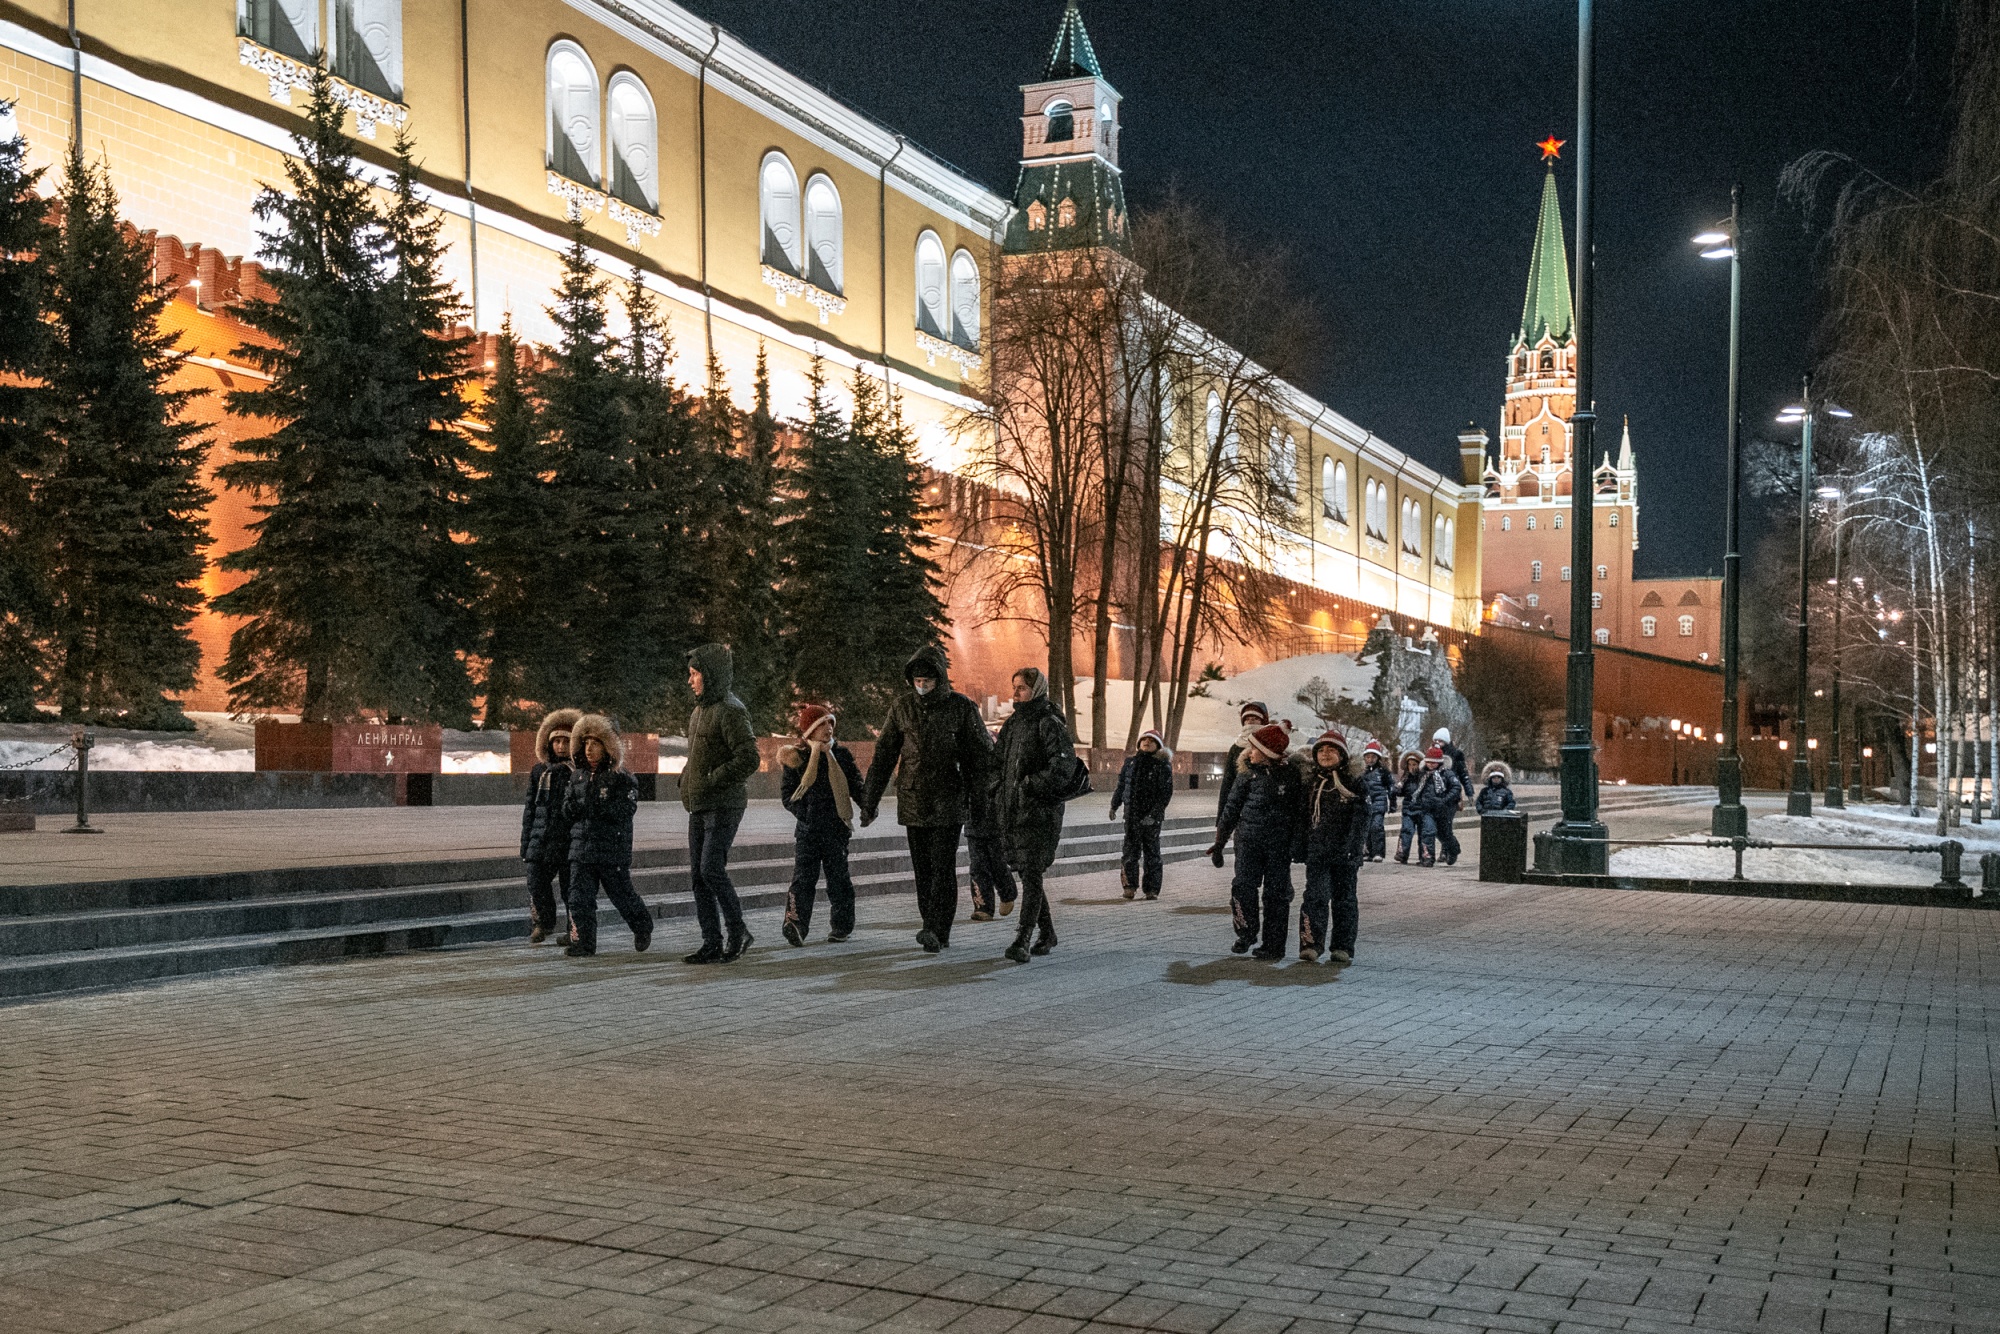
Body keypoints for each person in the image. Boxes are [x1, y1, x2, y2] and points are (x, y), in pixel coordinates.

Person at [861, 644, 993, 953]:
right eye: (917, 681)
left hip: (948, 799)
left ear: (940, 679)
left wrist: (980, 801)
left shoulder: (961, 707)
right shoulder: (901, 708)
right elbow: (884, 756)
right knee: (923, 869)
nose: (922, 686)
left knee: (942, 867)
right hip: (913, 799)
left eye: (928, 681)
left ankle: (938, 929)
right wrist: (870, 801)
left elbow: (981, 758)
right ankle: (929, 926)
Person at [680, 643, 762, 964]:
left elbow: (749, 758)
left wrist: (713, 779)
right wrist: (687, 778)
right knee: (698, 876)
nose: (691, 681)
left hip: (724, 804)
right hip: (699, 804)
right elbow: (698, 756)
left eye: (695, 674)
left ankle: (738, 931)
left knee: (711, 869)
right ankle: (711, 942)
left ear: (710, 675)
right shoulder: (699, 711)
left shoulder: (731, 709)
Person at [992, 667, 1078, 963]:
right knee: (1028, 874)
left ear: (1037, 691)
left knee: (1031, 873)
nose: (1015, 693)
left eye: (1022, 688)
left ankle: (1022, 937)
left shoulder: (1049, 723)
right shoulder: (1013, 723)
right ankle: (1048, 932)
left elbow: (1064, 766)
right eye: (1014, 687)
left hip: (1040, 813)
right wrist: (997, 790)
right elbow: (997, 762)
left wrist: (1029, 785)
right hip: (1013, 811)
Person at [1207, 721, 1307, 960]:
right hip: (1248, 843)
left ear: (1268, 752)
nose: (1249, 752)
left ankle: (1273, 946)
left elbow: (1299, 813)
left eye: (1255, 748)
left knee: (1276, 896)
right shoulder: (1246, 775)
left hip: (1278, 846)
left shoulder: (1290, 776)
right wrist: (1220, 843)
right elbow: (1231, 810)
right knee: (1242, 887)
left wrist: (1297, 844)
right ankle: (1246, 932)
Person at [561, 714, 654, 956]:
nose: (589, 749)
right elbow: (567, 807)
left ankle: (642, 925)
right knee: (578, 898)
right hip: (581, 848)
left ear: (607, 746)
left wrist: (598, 807)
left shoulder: (621, 778)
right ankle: (584, 943)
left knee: (622, 896)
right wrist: (573, 809)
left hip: (611, 849)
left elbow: (625, 810)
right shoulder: (577, 775)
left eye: (595, 744)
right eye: (586, 743)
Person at [778, 703, 864, 946]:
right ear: (809, 731)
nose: (828, 729)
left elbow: (857, 786)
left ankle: (841, 927)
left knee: (839, 880)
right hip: (808, 831)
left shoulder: (842, 756)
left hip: (837, 830)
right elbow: (788, 796)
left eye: (830, 723)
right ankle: (795, 924)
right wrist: (805, 814)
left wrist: (868, 807)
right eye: (822, 724)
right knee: (803, 879)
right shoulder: (796, 758)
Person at [1299, 730, 1368, 965]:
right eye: (1321, 750)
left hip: (1344, 853)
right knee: (1314, 897)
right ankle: (1310, 943)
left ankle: (1342, 947)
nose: (1325, 754)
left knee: (1344, 900)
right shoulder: (1311, 782)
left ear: (1342, 754)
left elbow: (1361, 820)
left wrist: (1354, 848)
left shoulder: (1354, 783)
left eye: (1331, 750)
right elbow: (1302, 817)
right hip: (1317, 852)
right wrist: (1300, 845)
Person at [519, 707, 580, 943]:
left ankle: (572, 929)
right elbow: (530, 810)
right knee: (536, 883)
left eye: (566, 741)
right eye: (557, 741)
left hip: (566, 841)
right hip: (541, 839)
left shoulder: (577, 772)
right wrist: (526, 844)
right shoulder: (539, 771)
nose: (561, 747)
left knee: (570, 889)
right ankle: (543, 923)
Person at [1110, 728, 1174, 900]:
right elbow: (1122, 785)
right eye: (1144, 740)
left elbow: (1165, 794)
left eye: (1151, 741)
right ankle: (1129, 886)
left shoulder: (1162, 765)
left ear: (1158, 746)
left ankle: (1152, 889)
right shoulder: (1130, 763)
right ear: (1139, 743)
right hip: (1131, 815)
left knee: (1152, 853)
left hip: (1151, 818)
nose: (1147, 743)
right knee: (1130, 852)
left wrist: (1153, 815)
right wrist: (1114, 805)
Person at [964, 771, 1017, 922]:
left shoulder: (1001, 751)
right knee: (977, 865)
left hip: (997, 815)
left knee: (997, 862)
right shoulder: (967, 752)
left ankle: (1007, 893)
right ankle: (983, 907)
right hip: (973, 813)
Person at [1213, 701, 1272, 827]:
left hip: (1267, 806)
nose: (1250, 722)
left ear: (1262, 721)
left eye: (1255, 718)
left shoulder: (1271, 744)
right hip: (1241, 806)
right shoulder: (1236, 747)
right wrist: (1222, 817)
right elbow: (1228, 781)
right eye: (1247, 719)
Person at [1404, 746, 1461, 868]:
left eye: (1433, 762)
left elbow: (1456, 788)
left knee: (1444, 834)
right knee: (1428, 832)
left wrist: (1444, 800)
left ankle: (1453, 850)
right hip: (1427, 809)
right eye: (1428, 761)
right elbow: (1417, 789)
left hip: (1444, 809)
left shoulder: (1447, 774)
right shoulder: (1422, 774)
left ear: (1439, 762)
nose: (1430, 764)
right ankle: (1427, 858)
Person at [1430, 727, 1470, 867]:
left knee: (1445, 826)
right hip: (1435, 797)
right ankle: (1445, 849)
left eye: (1440, 740)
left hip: (1450, 797)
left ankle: (1450, 850)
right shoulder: (1432, 754)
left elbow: (1463, 775)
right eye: (1436, 740)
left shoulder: (1456, 755)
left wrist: (1469, 792)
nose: (1438, 742)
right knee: (1435, 828)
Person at [1358, 738, 1393, 863]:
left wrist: (1392, 803)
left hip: (1379, 802)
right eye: (1367, 757)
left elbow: (1391, 787)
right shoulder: (1362, 772)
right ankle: (1369, 851)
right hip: (1366, 803)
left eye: (1373, 757)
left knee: (1376, 827)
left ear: (1378, 758)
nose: (1370, 759)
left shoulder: (1383, 772)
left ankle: (1378, 852)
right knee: (1366, 828)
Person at [1393, 750, 1429, 865]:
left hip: (1422, 809)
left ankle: (1423, 856)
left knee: (1423, 833)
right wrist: (1396, 790)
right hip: (1408, 808)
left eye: (1414, 764)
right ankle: (1402, 853)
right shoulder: (1405, 778)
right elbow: (1401, 792)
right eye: (1409, 765)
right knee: (1406, 830)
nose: (1412, 767)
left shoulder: (1424, 777)